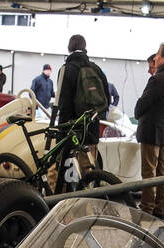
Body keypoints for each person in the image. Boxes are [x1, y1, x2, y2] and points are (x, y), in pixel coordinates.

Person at [52, 34, 109, 189]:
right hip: (90, 132)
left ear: (69, 48)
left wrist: (61, 134)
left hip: (71, 132)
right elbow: (106, 100)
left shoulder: (66, 70)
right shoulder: (96, 69)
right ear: (85, 48)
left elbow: (63, 105)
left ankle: (60, 207)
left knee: (65, 175)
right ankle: (87, 208)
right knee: (88, 175)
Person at [134, 40, 164, 218]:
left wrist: (138, 110)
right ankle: (159, 208)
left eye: (157, 54)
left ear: (163, 58)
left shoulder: (157, 80)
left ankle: (146, 208)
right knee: (163, 173)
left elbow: (141, 106)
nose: (155, 57)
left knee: (149, 173)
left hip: (151, 132)